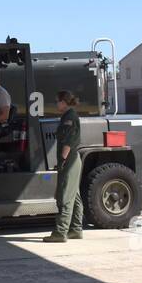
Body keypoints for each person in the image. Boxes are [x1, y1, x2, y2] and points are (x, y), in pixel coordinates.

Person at [44, 90, 83, 243]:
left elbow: (68, 140)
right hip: (72, 160)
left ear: (63, 102)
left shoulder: (70, 117)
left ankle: (60, 232)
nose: (56, 104)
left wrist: (62, 160)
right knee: (75, 196)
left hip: (69, 160)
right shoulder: (68, 116)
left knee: (65, 195)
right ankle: (76, 229)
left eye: (57, 101)